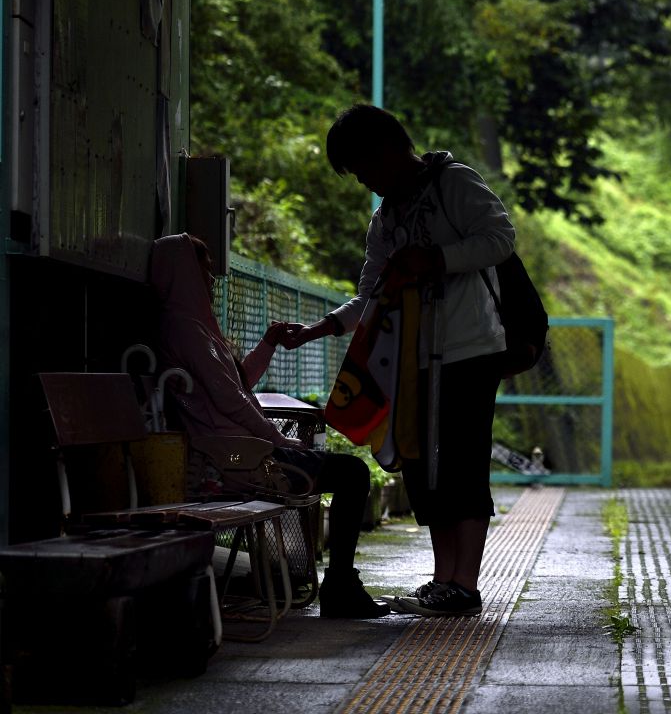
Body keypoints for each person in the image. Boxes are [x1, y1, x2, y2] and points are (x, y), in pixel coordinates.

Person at [279, 103, 514, 617]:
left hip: (470, 349)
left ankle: (465, 585)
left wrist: (436, 260)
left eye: (365, 168)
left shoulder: (456, 184)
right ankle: (442, 581)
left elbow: (500, 238)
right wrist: (320, 328)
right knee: (426, 468)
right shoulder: (385, 219)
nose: (367, 181)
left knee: (463, 465)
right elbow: (372, 294)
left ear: (387, 149)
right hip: (414, 362)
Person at [150, 233, 389, 619]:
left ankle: (341, 584)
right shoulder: (186, 329)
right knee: (353, 473)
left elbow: (236, 385)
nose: (211, 280)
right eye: (204, 271)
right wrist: (281, 441)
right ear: (183, 273)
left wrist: (268, 343)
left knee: (349, 472)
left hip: (238, 452)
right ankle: (341, 586)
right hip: (236, 460)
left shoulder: (191, 326)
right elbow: (232, 400)